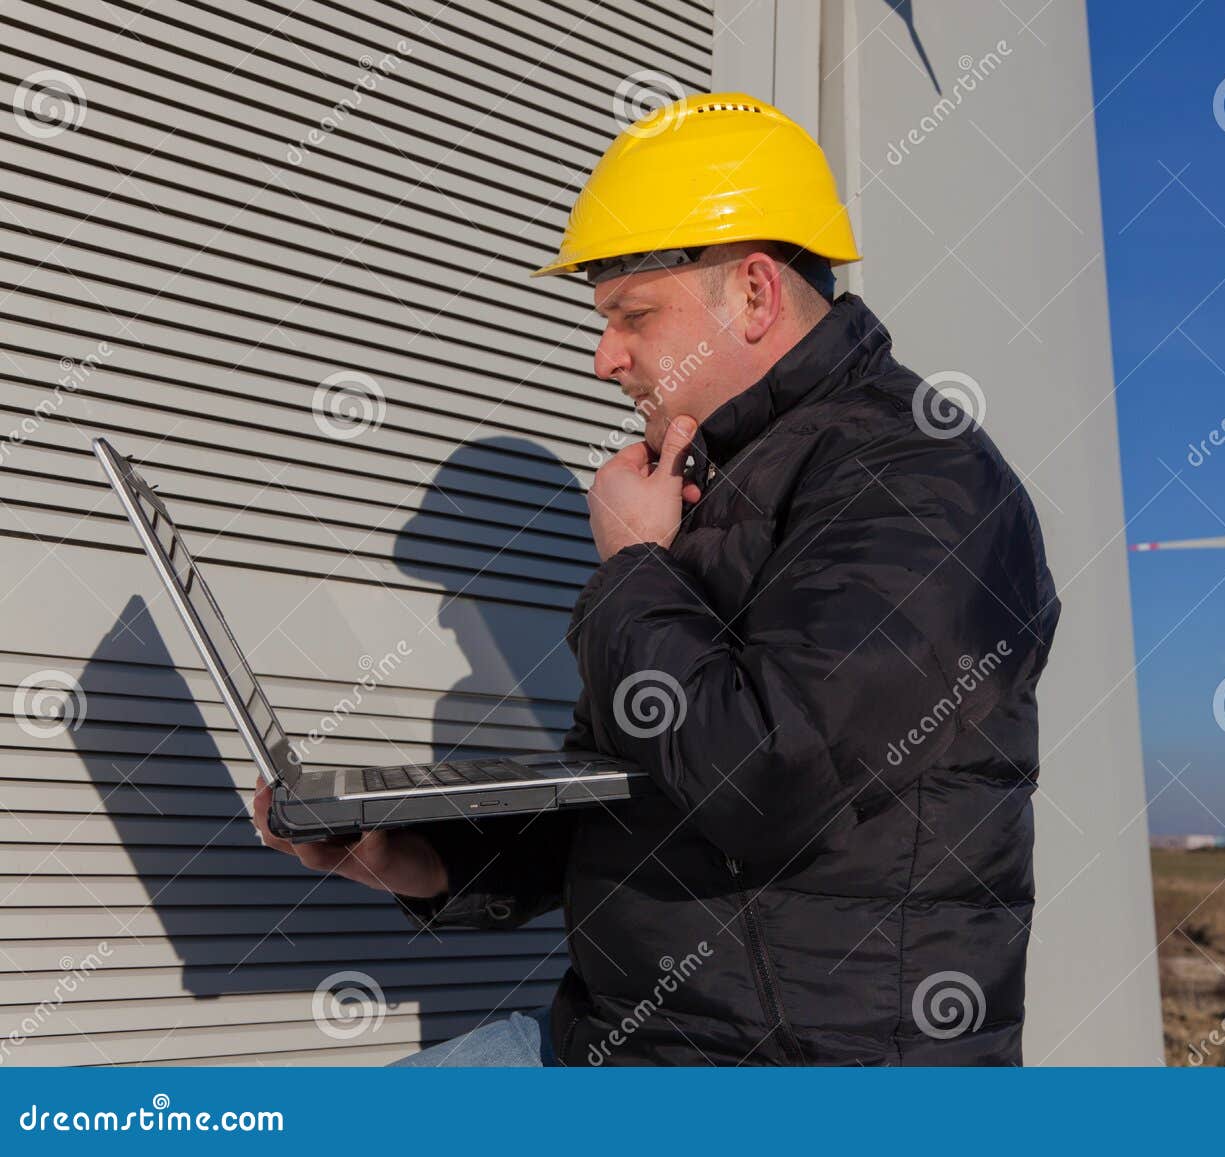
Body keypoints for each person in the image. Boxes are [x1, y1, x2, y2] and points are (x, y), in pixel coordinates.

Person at [252, 92, 1061, 1066]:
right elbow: (634, 794)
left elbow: (766, 777)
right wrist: (414, 859)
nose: (603, 359)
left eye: (632, 316)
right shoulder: (713, 484)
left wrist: (635, 567)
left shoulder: (916, 481)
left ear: (755, 295)